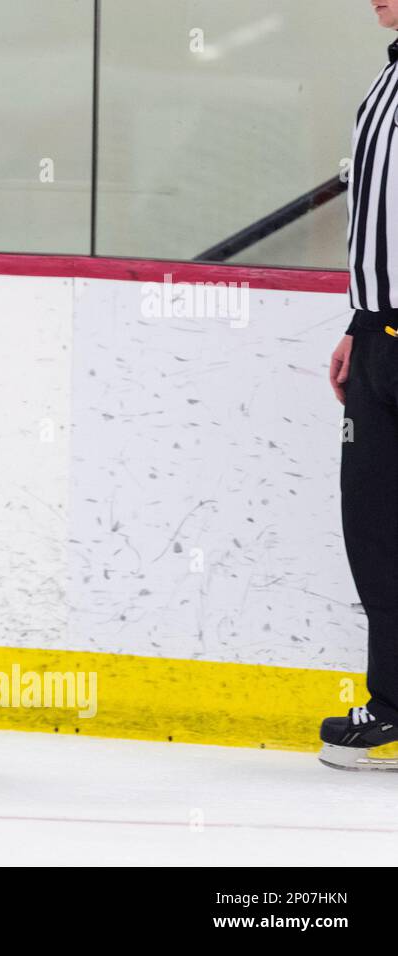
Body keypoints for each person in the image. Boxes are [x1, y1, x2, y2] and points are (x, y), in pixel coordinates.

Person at [321, 0, 398, 770]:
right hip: (380, 339)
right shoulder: (384, 87)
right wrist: (361, 319)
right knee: (374, 528)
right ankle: (392, 704)